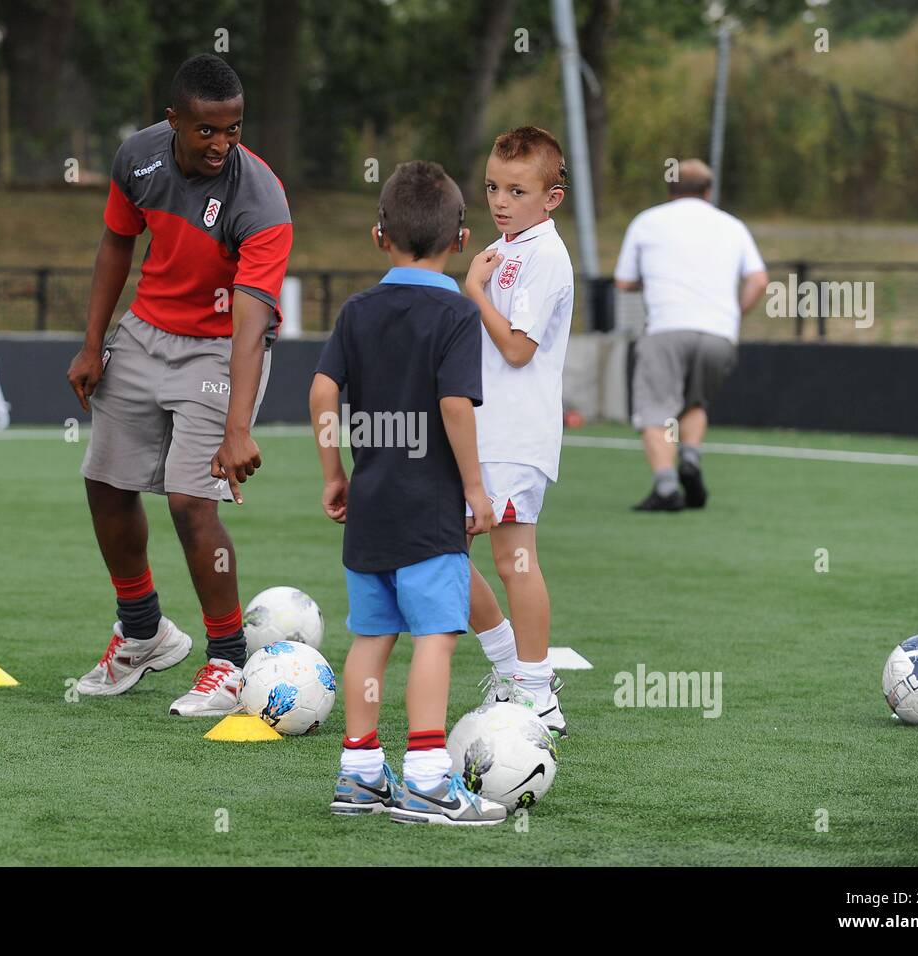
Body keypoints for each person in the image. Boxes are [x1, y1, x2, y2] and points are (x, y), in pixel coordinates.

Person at [66, 53, 292, 715]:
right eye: (207, 132)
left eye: (234, 130)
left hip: (221, 350)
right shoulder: (136, 157)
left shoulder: (262, 201)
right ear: (174, 122)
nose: (222, 144)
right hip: (145, 333)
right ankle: (143, 633)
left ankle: (227, 662)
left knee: (193, 503)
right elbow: (116, 243)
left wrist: (238, 428)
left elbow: (253, 325)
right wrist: (92, 344)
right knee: (104, 483)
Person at [310, 161, 506, 825]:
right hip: (429, 512)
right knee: (437, 638)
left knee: (372, 636)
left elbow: (321, 391)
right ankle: (427, 777)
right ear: (461, 239)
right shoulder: (455, 312)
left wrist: (334, 472)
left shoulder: (357, 310)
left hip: (370, 508)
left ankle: (360, 772)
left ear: (378, 236)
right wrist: (476, 487)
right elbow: (455, 402)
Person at [460, 127, 575, 738]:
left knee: (513, 558)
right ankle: (512, 674)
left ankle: (535, 691)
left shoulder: (545, 256)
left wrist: (473, 289)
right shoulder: (506, 246)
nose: (500, 201)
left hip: (513, 434)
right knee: (443, 554)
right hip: (477, 430)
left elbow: (517, 349)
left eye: (517, 190)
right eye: (492, 188)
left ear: (551, 198)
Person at [614, 158, 768, 511]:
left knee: (655, 410)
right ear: (708, 191)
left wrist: (653, 280)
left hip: (667, 328)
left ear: (671, 189)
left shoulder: (647, 221)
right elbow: (759, 280)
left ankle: (666, 486)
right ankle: (692, 457)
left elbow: (623, 281)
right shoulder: (732, 225)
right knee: (694, 402)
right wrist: (734, 313)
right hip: (718, 334)